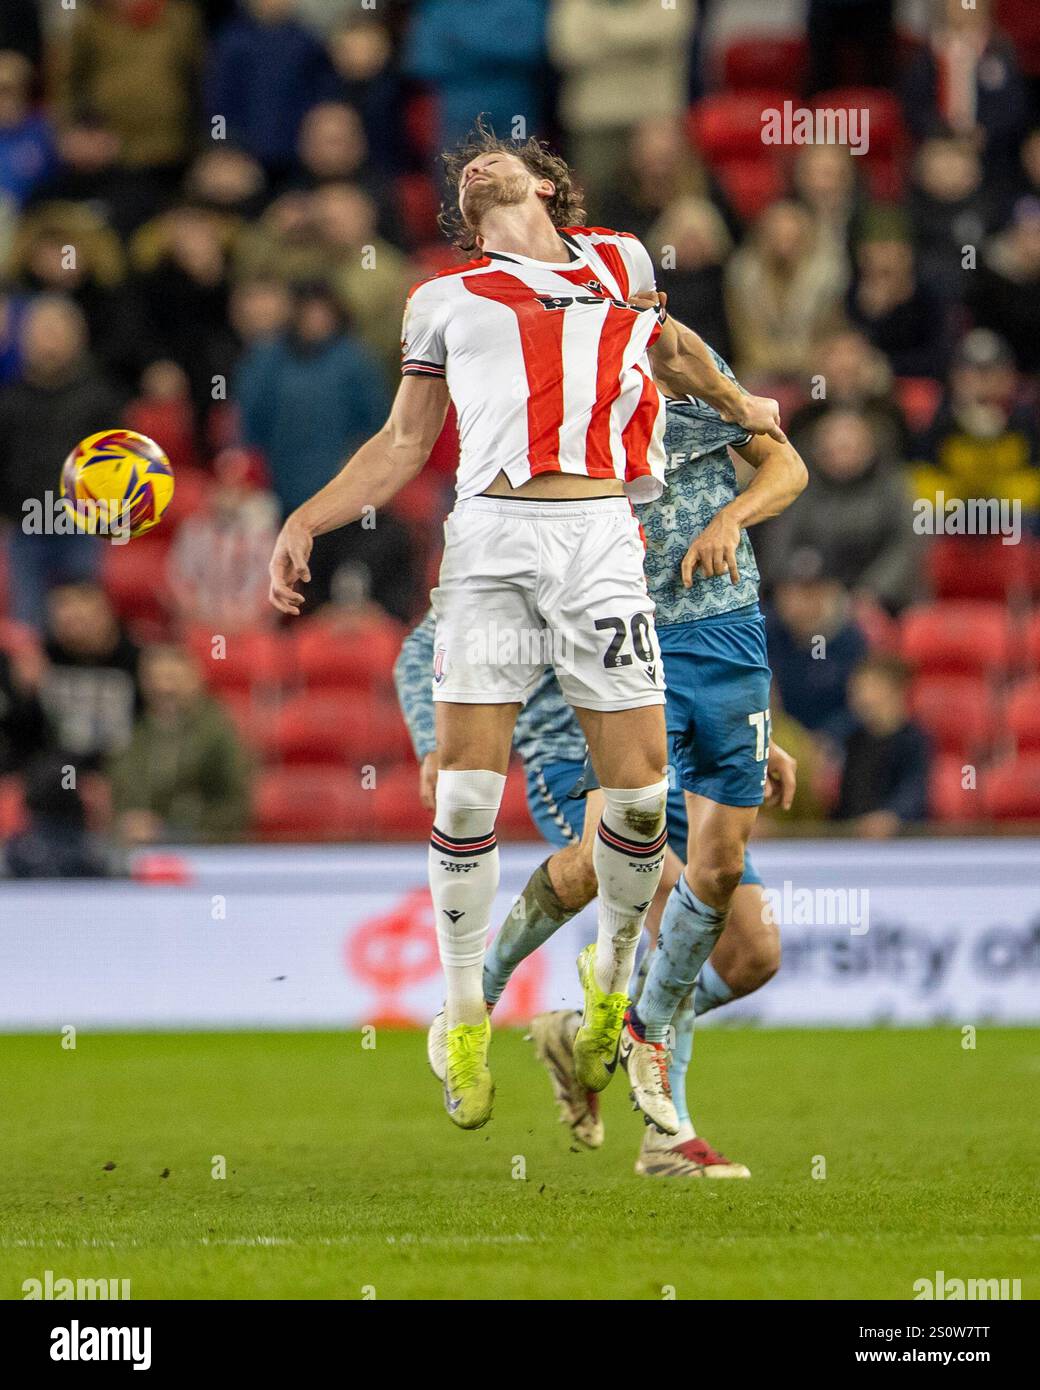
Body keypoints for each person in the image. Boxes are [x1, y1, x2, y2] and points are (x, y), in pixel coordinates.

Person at [267, 124, 786, 1131]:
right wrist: (306, 518)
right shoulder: (442, 300)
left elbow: (667, 345)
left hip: (600, 532)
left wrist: (736, 401)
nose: (475, 160)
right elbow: (402, 442)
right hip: (496, 532)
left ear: (549, 187)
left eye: (496, 154)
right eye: (462, 166)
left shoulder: (619, 260)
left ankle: (608, 989)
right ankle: (462, 1010)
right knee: (465, 789)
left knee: (635, 807)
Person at [397, 370, 806, 1173]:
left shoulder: (679, 395)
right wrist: (432, 740)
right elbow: (428, 641)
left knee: (751, 951)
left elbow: (784, 462)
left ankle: (601, 1040)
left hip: (680, 693)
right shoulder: (536, 452)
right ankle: (660, 1127)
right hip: (571, 734)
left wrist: (760, 740)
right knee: (620, 873)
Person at [0, 297, 125, 629]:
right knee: (28, 622)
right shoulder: (9, 400)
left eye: (58, 332)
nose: (49, 341)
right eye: (42, 332)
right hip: (25, 525)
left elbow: (120, 465)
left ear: (77, 338)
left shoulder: (99, 399)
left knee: (80, 621)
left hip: (81, 527)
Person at [108, 644, 251, 845]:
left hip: (204, 849)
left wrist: (170, 831)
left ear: (195, 680)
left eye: (173, 678)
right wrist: (127, 821)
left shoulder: (219, 732)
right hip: (138, 850)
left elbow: (235, 804)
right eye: (154, 679)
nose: (163, 688)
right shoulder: (134, 734)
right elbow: (122, 790)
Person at [40, 580, 141, 771]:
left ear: (106, 614)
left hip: (126, 767)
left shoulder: (138, 661)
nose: (72, 629)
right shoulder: (43, 659)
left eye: (81, 621)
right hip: (61, 769)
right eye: (65, 622)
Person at [833, 656, 931, 837]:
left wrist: (892, 816)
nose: (861, 696)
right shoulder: (852, 740)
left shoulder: (914, 741)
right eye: (857, 689)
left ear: (896, 691)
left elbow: (915, 789)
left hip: (903, 839)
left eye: (871, 687)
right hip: (852, 840)